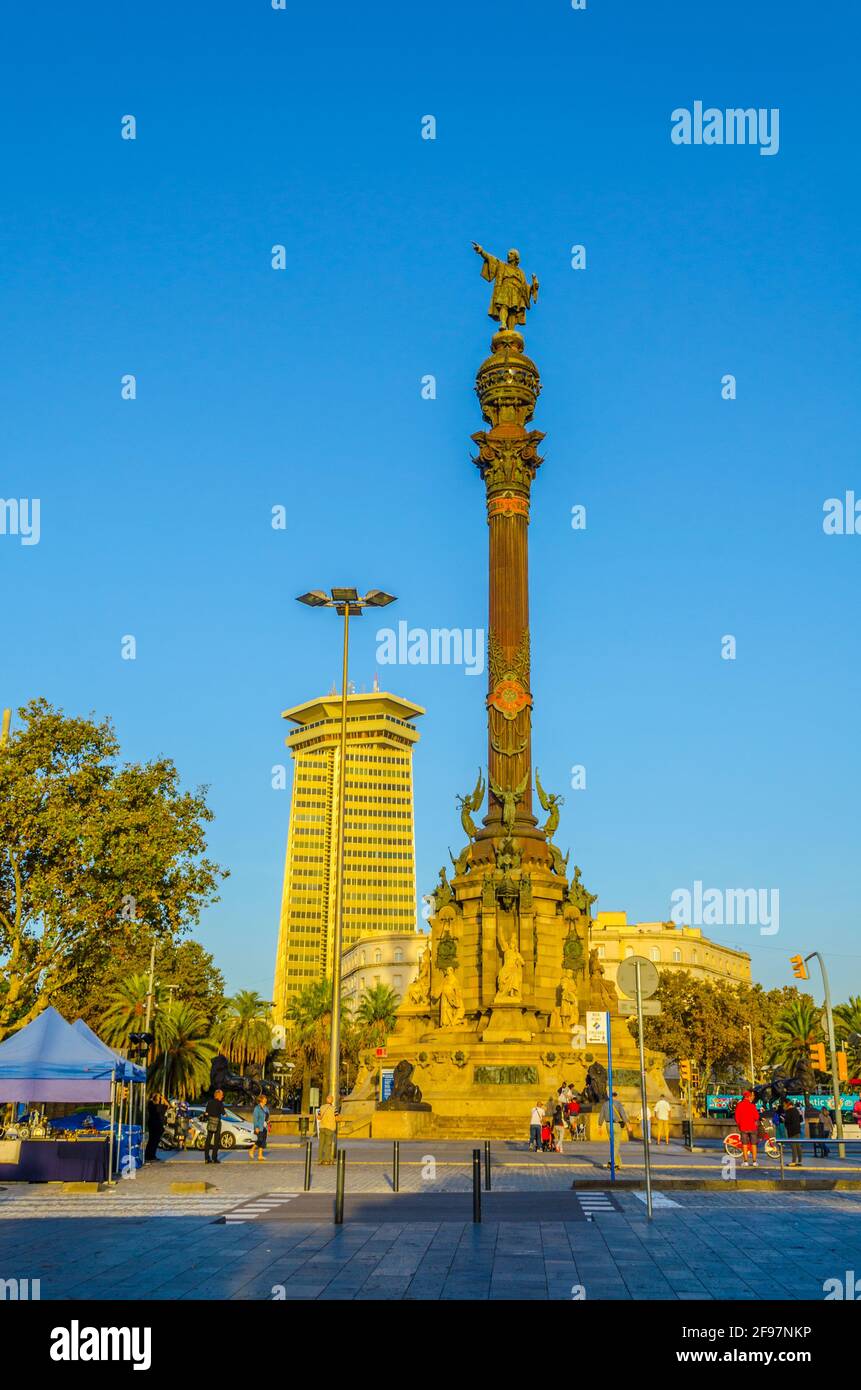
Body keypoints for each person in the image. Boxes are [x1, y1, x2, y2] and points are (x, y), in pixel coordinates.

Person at [599, 1091, 628, 1169]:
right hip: (616, 1125)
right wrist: (628, 1124)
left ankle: (618, 1164)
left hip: (608, 1125)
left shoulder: (605, 1104)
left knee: (613, 1144)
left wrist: (600, 1126)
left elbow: (601, 1115)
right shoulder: (618, 1103)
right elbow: (623, 1114)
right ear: (616, 1096)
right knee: (616, 1144)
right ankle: (611, 1161)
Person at [734, 1090, 760, 1168]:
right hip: (752, 1127)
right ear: (748, 1097)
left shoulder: (739, 1105)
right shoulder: (752, 1106)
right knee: (753, 1144)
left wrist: (739, 1124)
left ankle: (745, 1161)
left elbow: (736, 1117)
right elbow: (756, 1117)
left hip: (743, 1127)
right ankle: (754, 1161)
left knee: (744, 1145)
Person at [316, 1093, 340, 1165]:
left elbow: (318, 1117)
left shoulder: (321, 1107)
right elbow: (336, 1118)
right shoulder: (334, 1109)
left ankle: (320, 1159)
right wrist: (339, 1118)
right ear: (332, 1101)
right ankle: (327, 1159)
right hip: (329, 1128)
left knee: (321, 1144)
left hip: (322, 1127)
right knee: (328, 1144)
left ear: (326, 1100)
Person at [204, 1088, 226, 1164]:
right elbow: (224, 1114)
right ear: (219, 1095)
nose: (223, 1096)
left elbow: (206, 1113)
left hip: (210, 1121)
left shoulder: (209, 1102)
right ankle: (214, 1158)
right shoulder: (220, 1103)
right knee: (216, 1141)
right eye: (222, 1094)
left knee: (208, 1139)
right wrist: (224, 1113)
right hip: (217, 1122)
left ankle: (206, 1158)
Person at [145, 1092, 167, 1162]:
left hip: (152, 1124)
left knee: (151, 1141)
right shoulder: (158, 1106)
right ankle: (151, 1156)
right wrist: (163, 1098)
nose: (160, 1098)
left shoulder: (151, 1105)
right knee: (154, 1141)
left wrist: (154, 1097)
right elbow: (167, 1105)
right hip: (157, 1125)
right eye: (159, 1097)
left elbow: (149, 1102)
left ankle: (149, 1156)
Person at [250, 1092, 270, 1162]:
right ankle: (252, 1150)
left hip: (265, 1127)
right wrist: (256, 1127)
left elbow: (267, 1117)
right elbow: (255, 1118)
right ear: (261, 1100)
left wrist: (268, 1122)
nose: (266, 1100)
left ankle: (260, 1155)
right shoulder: (257, 1108)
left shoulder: (266, 1108)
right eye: (265, 1099)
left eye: (266, 1099)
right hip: (259, 1127)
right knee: (260, 1140)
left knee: (263, 1141)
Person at [783, 1098, 803, 1166]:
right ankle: (800, 1160)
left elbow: (788, 1121)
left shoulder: (788, 1111)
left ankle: (794, 1161)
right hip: (797, 1129)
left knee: (793, 1146)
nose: (784, 1105)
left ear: (787, 1104)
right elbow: (801, 1119)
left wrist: (784, 1120)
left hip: (791, 1130)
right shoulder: (796, 1110)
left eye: (784, 1104)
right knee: (798, 1145)